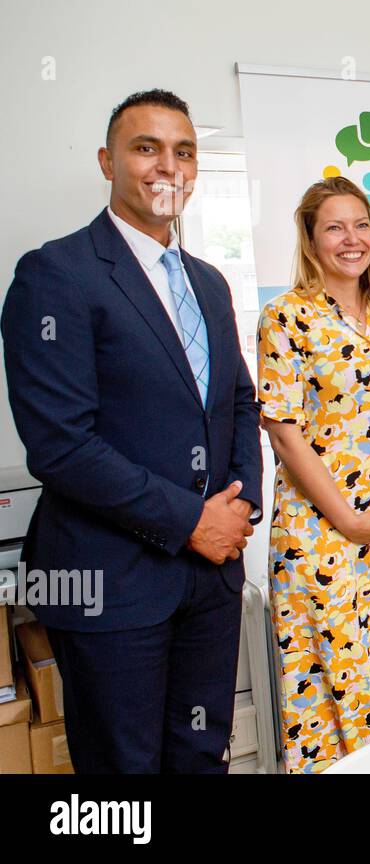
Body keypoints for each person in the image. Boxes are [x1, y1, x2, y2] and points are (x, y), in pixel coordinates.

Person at [1, 89, 262, 772]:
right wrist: (191, 520)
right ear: (107, 161)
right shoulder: (55, 275)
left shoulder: (207, 282)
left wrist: (239, 509)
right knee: (124, 774)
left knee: (201, 755)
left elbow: (238, 400)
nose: (168, 166)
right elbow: (61, 445)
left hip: (209, 577)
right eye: (147, 148)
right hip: (111, 580)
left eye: (184, 152)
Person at [258, 176, 370, 773]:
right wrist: (346, 519)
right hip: (321, 534)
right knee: (336, 682)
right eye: (334, 227)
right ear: (311, 239)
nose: (351, 239)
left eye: (361, 224)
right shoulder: (286, 317)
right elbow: (283, 430)